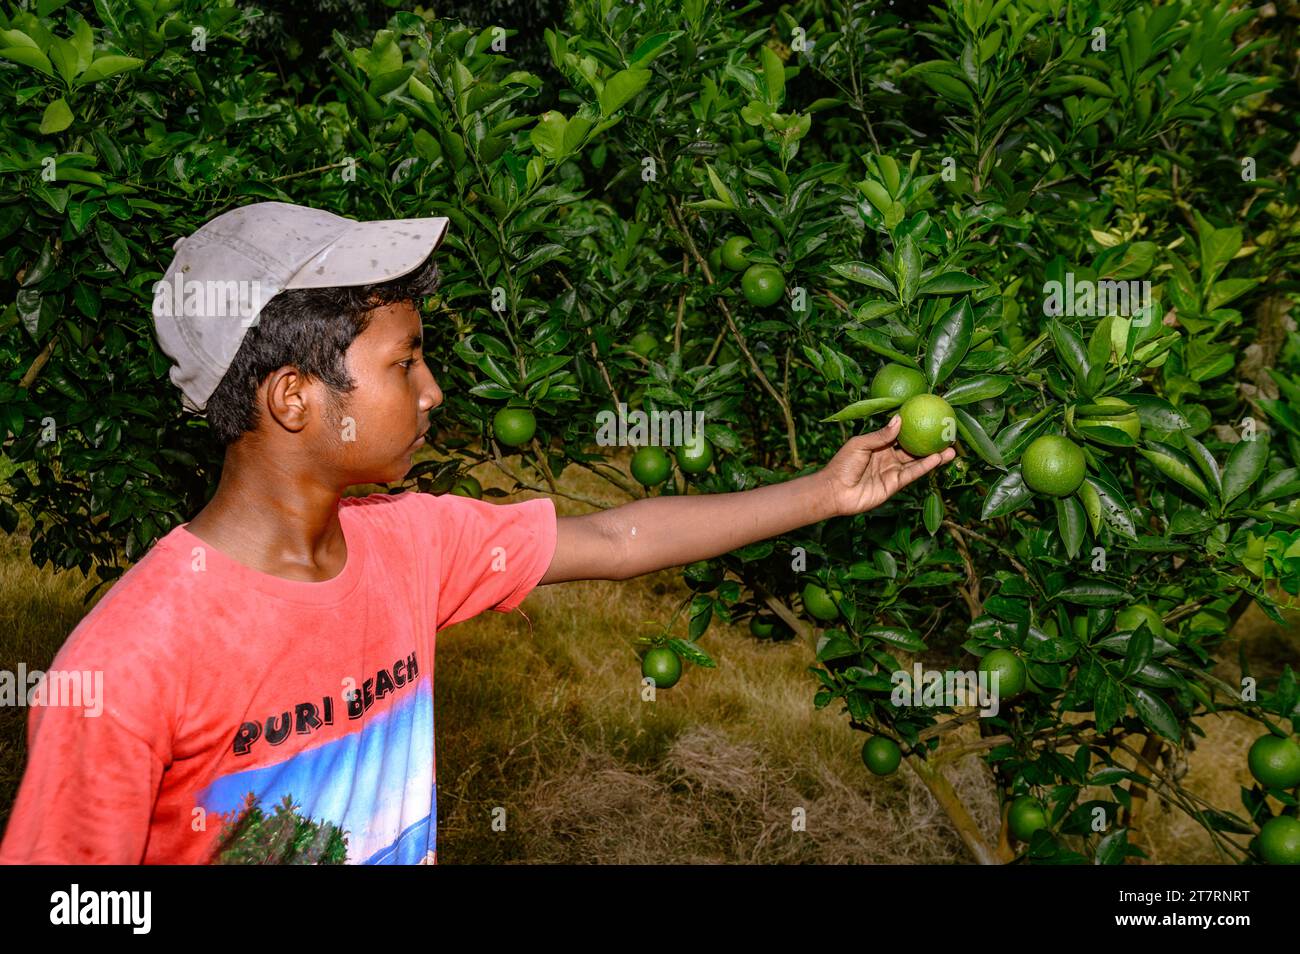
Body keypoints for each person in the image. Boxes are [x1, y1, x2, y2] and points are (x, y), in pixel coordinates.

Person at [0, 202, 954, 865]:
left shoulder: (408, 545)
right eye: (403, 363)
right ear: (296, 398)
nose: (432, 392)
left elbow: (619, 541)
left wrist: (822, 495)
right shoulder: (128, 665)